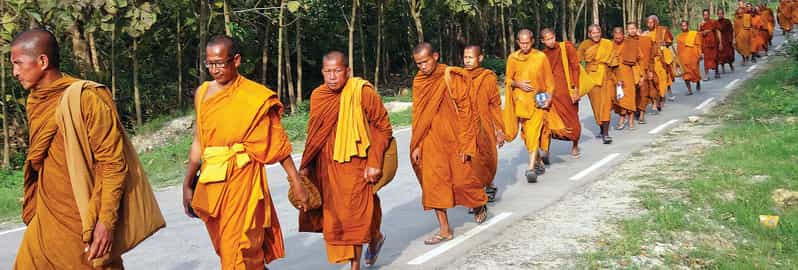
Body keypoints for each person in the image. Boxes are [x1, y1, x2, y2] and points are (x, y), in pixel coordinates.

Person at [12, 29, 164, 269]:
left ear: (42, 61)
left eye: (18, 63)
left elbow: (113, 164)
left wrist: (106, 222)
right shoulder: (36, 100)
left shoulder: (86, 98)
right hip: (47, 219)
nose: (15, 72)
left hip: (82, 222)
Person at [181, 35, 310, 270]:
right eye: (210, 64)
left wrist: (296, 181)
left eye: (220, 63)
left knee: (238, 249)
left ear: (236, 60)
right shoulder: (203, 93)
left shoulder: (255, 97)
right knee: (227, 249)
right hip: (212, 180)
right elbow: (199, 141)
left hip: (243, 178)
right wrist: (187, 183)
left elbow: (276, 144)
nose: (215, 70)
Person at [297, 51, 392, 269]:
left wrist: (374, 161)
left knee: (353, 215)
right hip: (327, 167)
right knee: (337, 217)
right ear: (322, 72)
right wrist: (306, 166)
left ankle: (354, 265)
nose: (332, 77)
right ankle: (375, 237)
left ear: (347, 71)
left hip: (355, 165)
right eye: (327, 71)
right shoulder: (318, 96)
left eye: (337, 71)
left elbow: (383, 127)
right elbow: (314, 134)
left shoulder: (361, 91)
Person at [410, 42, 487, 245]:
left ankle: (478, 203)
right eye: (418, 63)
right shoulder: (419, 81)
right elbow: (418, 114)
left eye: (425, 61)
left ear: (435, 56)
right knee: (433, 184)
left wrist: (467, 143)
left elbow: (466, 110)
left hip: (455, 138)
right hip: (430, 140)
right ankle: (445, 229)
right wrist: (417, 143)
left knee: (462, 181)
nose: (423, 67)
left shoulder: (451, 76)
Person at [504, 29, 558, 182]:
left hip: (537, 103)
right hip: (521, 103)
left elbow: (550, 81)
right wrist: (518, 84)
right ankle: (538, 161)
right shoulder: (513, 58)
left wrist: (549, 98)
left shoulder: (540, 57)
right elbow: (508, 80)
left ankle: (530, 168)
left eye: (527, 43)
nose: (525, 46)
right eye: (522, 43)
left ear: (532, 41)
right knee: (527, 136)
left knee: (533, 133)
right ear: (518, 42)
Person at [462, 45, 505, 203]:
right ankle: (476, 197)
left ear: (480, 58)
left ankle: (488, 184)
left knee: (486, 159)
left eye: (470, 57)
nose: (467, 61)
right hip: (465, 127)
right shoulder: (459, 77)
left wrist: (499, 129)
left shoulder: (487, 77)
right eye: (465, 57)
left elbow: (495, 104)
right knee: (469, 162)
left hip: (484, 126)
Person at [540, 28, 583, 159]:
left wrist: (576, 88)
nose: (550, 41)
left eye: (552, 38)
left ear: (555, 36)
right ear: (542, 41)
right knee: (548, 122)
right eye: (547, 39)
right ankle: (546, 151)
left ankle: (575, 144)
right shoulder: (542, 55)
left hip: (567, 91)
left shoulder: (566, 47)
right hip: (551, 93)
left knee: (572, 120)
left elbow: (575, 67)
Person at [578, 24, 618, 144]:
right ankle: (601, 128)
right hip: (592, 77)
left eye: (598, 32)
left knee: (605, 105)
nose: (596, 35)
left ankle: (606, 134)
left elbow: (614, 59)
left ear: (601, 33)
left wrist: (616, 77)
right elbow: (577, 62)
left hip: (606, 75)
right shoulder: (584, 45)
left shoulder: (607, 43)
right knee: (597, 106)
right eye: (593, 33)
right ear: (589, 34)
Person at [611, 26, 641, 131]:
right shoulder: (610, 45)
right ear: (613, 35)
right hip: (615, 74)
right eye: (616, 33)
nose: (618, 36)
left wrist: (640, 75)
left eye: (620, 33)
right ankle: (622, 117)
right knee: (619, 98)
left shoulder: (630, 44)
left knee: (629, 97)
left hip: (628, 74)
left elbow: (638, 58)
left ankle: (631, 119)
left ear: (623, 35)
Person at [643, 15, 676, 107]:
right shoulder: (646, 34)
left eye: (651, 22)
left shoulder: (662, 30)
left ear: (655, 23)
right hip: (652, 60)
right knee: (654, 80)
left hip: (661, 59)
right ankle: (657, 97)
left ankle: (662, 97)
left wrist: (664, 43)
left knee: (662, 79)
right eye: (648, 23)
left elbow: (670, 41)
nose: (649, 24)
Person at [676, 20, 704, 95]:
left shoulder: (694, 34)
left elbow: (698, 44)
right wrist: (677, 60)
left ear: (688, 26)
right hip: (683, 59)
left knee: (695, 72)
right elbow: (678, 49)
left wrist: (700, 53)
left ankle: (698, 82)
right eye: (682, 26)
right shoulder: (679, 37)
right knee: (685, 75)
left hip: (693, 57)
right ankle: (689, 90)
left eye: (685, 25)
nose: (683, 27)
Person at [700, 9, 723, 80]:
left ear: (709, 15)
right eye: (704, 15)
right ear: (702, 16)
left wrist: (720, 42)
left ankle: (716, 72)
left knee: (715, 58)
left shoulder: (713, 22)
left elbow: (718, 31)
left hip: (714, 43)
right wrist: (703, 32)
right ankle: (707, 75)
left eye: (707, 15)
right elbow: (699, 33)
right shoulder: (701, 24)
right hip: (705, 44)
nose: (705, 16)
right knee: (706, 59)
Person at [717, 9, 736, 73]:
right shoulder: (716, 22)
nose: (720, 15)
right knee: (721, 56)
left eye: (721, 14)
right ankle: (723, 68)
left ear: (723, 14)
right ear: (717, 15)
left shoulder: (727, 21)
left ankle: (731, 65)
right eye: (719, 14)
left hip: (727, 40)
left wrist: (733, 39)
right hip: (720, 40)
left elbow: (731, 30)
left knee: (729, 54)